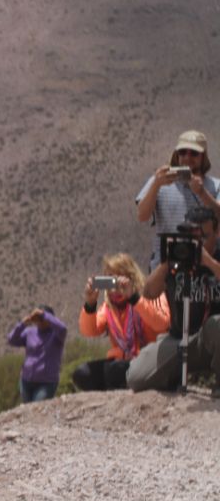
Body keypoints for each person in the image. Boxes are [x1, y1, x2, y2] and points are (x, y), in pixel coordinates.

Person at [126, 206, 220, 392]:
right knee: (136, 378)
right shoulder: (176, 259)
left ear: (217, 233)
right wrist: (167, 264)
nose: (198, 243)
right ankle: (176, 374)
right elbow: (149, 292)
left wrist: (209, 262)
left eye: (204, 237)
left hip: (211, 340)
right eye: (194, 237)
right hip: (179, 338)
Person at [74, 253, 170, 390]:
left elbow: (162, 324)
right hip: (120, 360)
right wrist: (90, 304)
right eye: (109, 281)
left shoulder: (151, 294)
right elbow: (89, 331)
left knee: (115, 371)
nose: (114, 288)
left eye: (118, 280)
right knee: (82, 374)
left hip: (150, 359)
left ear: (131, 277)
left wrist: (134, 299)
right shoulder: (109, 307)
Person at [136, 130, 220, 272]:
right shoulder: (159, 181)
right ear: (176, 154)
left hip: (205, 268)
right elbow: (142, 216)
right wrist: (156, 185)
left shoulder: (215, 186)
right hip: (165, 267)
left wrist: (202, 193)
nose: (187, 157)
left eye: (194, 153)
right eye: (183, 152)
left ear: (203, 157)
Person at [6, 305, 68, 403]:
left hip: (46, 383)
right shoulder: (30, 332)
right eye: (38, 318)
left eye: (43, 318)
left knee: (37, 408)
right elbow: (11, 339)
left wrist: (43, 315)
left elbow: (63, 328)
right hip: (26, 380)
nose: (40, 321)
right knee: (28, 411)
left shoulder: (56, 335)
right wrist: (22, 324)